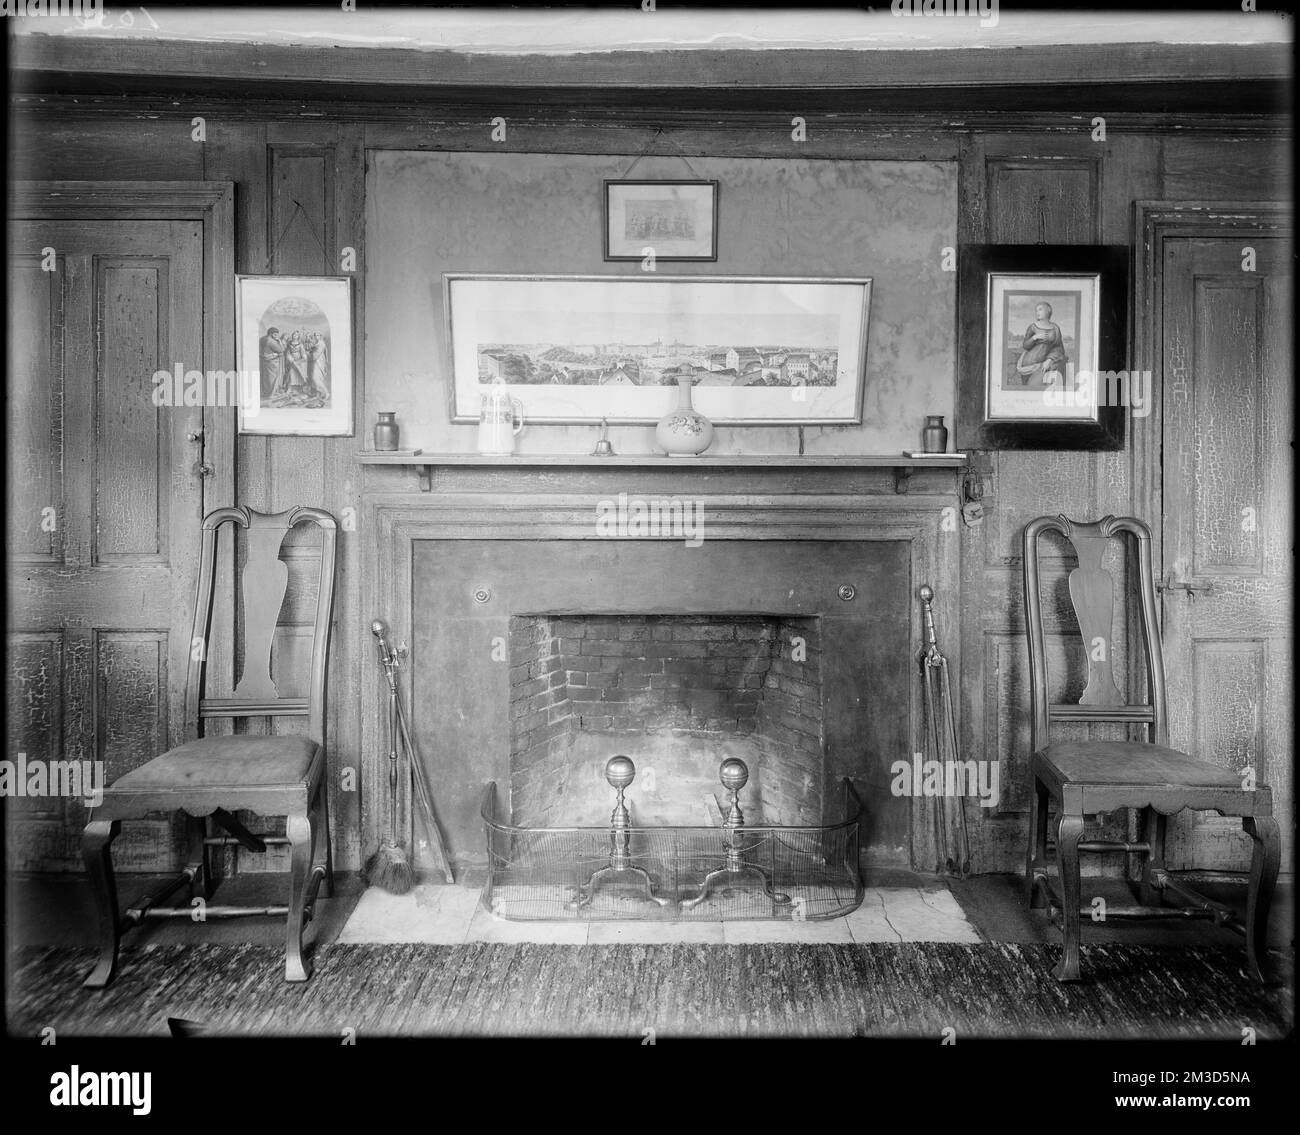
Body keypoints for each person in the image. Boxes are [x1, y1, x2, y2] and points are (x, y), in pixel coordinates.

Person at [1014, 301, 1068, 387]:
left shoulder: (1055, 328)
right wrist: (1034, 337)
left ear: (1048, 311)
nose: (1037, 312)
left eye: (1040, 309)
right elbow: (1025, 346)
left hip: (1044, 364)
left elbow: (1059, 347)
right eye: (1036, 310)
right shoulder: (1032, 327)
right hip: (1028, 365)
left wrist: (1049, 360)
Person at [260, 326, 285, 401]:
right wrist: (279, 341)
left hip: (265, 361)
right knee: (272, 378)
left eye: (277, 334)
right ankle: (272, 394)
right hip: (272, 362)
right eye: (275, 334)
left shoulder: (262, 339)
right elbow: (281, 350)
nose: (277, 336)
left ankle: (266, 393)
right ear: (271, 334)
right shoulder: (272, 341)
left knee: (266, 378)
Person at [306, 332, 330, 403]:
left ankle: (326, 393)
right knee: (316, 377)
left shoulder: (321, 344)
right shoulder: (318, 343)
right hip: (316, 362)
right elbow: (313, 349)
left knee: (315, 378)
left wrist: (308, 354)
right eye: (315, 335)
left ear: (320, 336)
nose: (316, 336)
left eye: (317, 335)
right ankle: (318, 394)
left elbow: (315, 355)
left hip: (319, 363)